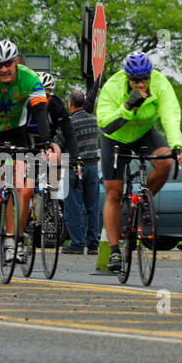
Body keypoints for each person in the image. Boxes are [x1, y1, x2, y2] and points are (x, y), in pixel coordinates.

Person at [0, 40, 58, 266]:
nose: (4, 69)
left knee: (23, 189)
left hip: (16, 132)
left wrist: (46, 142)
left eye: (8, 63)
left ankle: (12, 240)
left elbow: (40, 112)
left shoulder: (30, 79)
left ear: (16, 61)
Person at [95, 51, 182, 273]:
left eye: (145, 78)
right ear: (127, 77)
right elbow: (105, 123)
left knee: (165, 162)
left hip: (145, 132)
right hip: (116, 136)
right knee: (114, 193)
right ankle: (115, 251)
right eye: (136, 80)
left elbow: (170, 115)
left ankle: (144, 199)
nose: (141, 83)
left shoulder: (160, 84)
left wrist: (177, 145)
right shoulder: (113, 86)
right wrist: (127, 106)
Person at [62, 88, 101, 254]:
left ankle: (77, 243)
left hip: (74, 167)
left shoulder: (70, 122)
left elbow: (60, 142)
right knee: (93, 207)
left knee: (74, 207)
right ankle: (93, 244)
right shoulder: (93, 120)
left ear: (70, 104)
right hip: (93, 167)